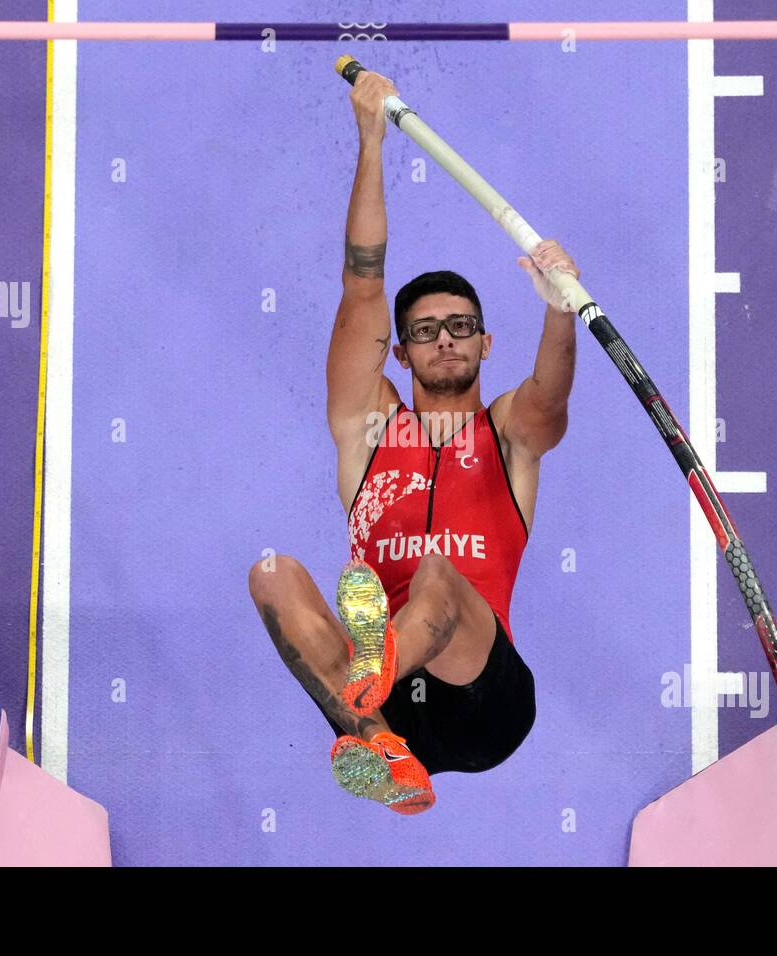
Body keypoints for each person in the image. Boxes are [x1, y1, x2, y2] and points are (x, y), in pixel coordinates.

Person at [247, 69, 578, 814]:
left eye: (461, 327)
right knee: (271, 575)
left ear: (487, 343)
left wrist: (560, 309)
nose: (445, 339)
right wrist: (371, 141)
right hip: (397, 721)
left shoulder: (508, 434)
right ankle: (381, 747)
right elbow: (362, 286)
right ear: (400, 354)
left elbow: (550, 400)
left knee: (438, 572)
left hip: (486, 700)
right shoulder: (367, 428)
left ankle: (374, 676)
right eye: (425, 331)